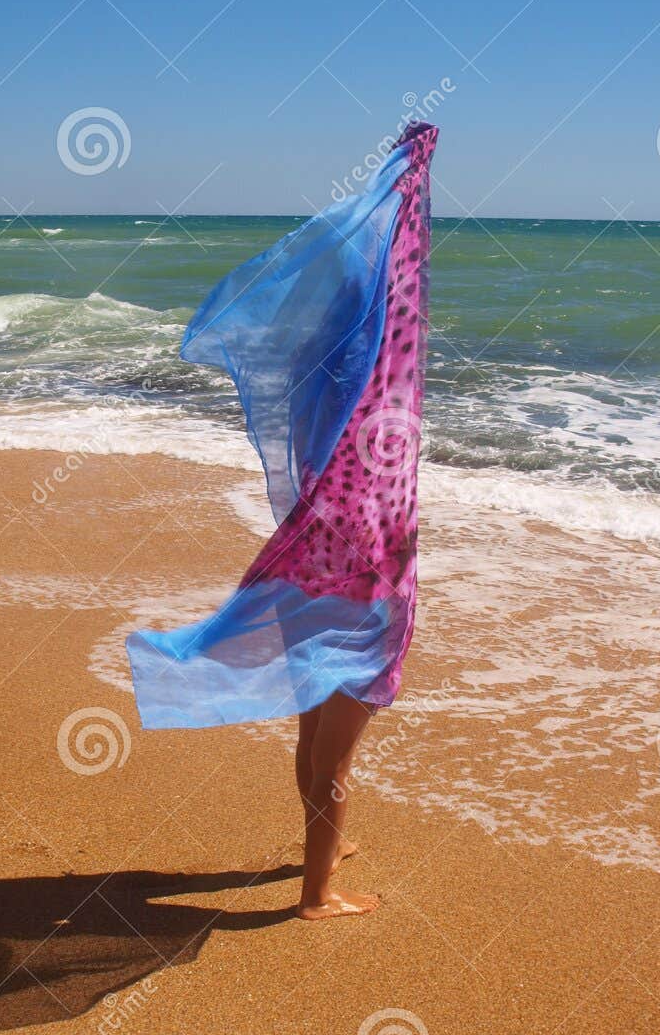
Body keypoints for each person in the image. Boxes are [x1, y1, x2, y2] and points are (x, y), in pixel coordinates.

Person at [128, 121, 438, 920]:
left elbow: (384, 315)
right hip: (369, 588)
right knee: (335, 755)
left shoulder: (332, 408)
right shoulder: (381, 411)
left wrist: (406, 197)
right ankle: (316, 893)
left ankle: (322, 845)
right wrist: (412, 197)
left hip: (316, 567)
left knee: (313, 731)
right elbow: (398, 318)